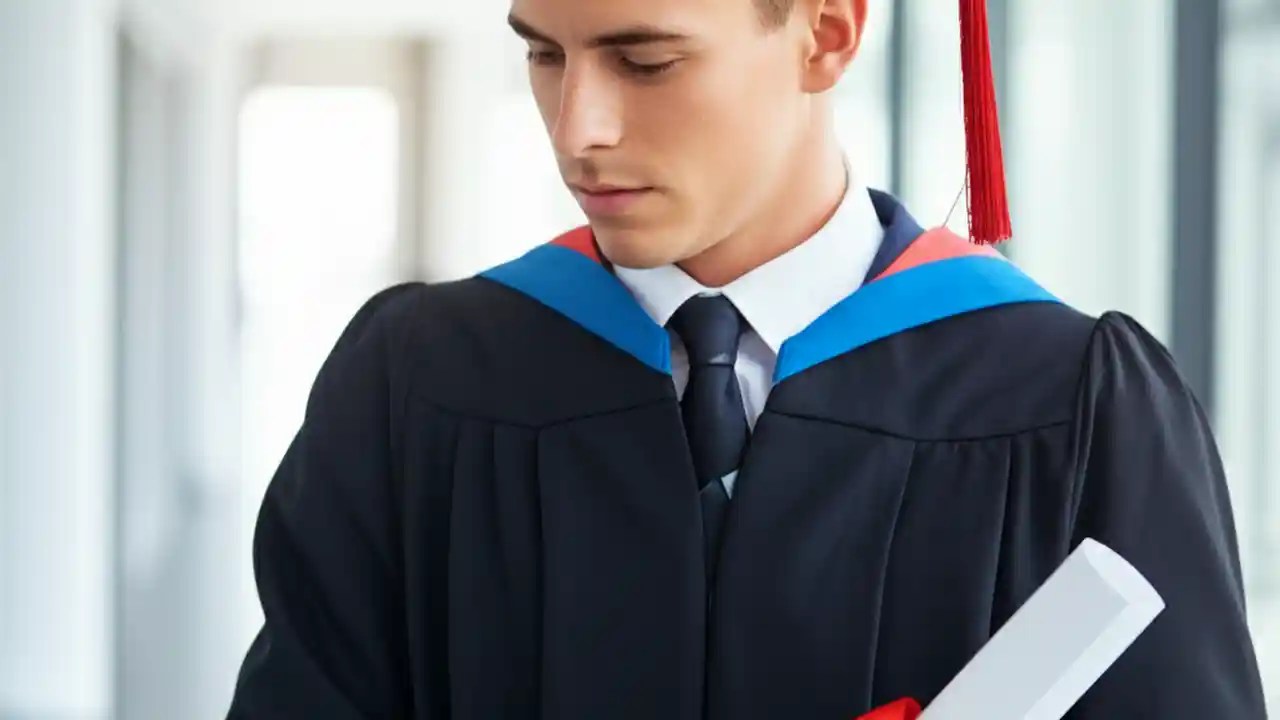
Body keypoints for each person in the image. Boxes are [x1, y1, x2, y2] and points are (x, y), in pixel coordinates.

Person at [227, 0, 1268, 717]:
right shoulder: (422, 383)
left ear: (825, 32)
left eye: (643, 60)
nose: (577, 128)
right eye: (544, 52)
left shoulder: (1067, 405)